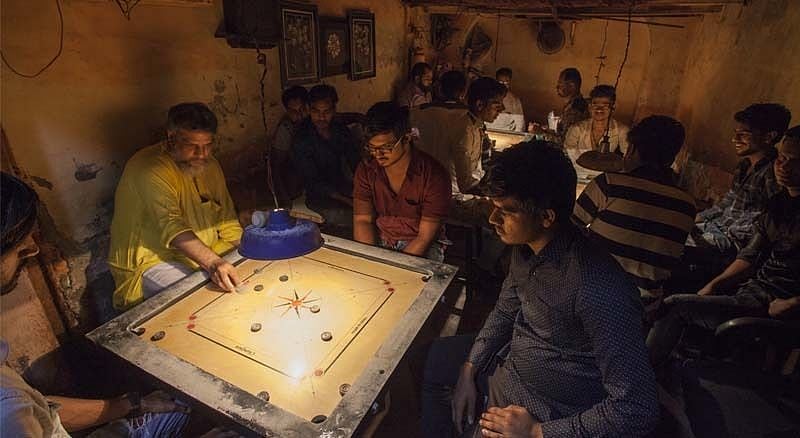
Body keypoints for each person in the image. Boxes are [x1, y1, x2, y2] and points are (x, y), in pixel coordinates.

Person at [421, 141, 659, 438]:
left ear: (546, 217)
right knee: (434, 359)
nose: (493, 220)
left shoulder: (598, 288)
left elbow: (637, 407)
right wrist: (469, 369)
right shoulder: (525, 248)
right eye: (494, 208)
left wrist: (539, 432)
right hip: (511, 366)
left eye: (505, 212)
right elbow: (505, 312)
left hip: (547, 406)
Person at [1, 173, 237, 438]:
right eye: (20, 238)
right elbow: (18, 408)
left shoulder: (15, 402)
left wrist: (131, 404)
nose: (32, 248)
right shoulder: (9, 412)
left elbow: (40, 410)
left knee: (185, 400)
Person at [647, 125, 800, 368]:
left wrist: (793, 303)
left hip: (776, 307)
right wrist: (714, 285)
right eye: (781, 158)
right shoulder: (779, 203)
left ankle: (637, 381)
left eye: (794, 161)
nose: (782, 166)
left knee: (673, 307)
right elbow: (750, 255)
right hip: (751, 291)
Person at [108, 103, 244, 311]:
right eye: (192, 146)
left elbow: (227, 222)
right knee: (209, 303)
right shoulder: (150, 169)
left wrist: (249, 252)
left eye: (208, 145)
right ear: (171, 138)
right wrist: (214, 263)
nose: (201, 154)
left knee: (250, 274)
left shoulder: (210, 165)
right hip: (152, 261)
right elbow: (172, 226)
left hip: (208, 251)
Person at [573, 116, 696, 318]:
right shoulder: (687, 205)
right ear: (672, 157)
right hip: (643, 310)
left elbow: (567, 235)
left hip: (590, 299)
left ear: (632, 150)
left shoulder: (608, 185)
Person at [353, 102, 452, 261]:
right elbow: (362, 220)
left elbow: (424, 237)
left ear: (406, 139)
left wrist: (396, 267)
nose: (378, 155)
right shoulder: (367, 169)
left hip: (419, 243)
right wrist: (369, 260)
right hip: (382, 237)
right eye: (371, 148)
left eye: (386, 147)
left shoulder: (433, 176)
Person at [693, 103, 790, 258]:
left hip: (732, 241)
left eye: (744, 134)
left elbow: (763, 224)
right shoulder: (744, 165)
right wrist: (695, 219)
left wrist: (714, 234)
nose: (734, 139)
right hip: (715, 228)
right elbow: (727, 202)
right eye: (736, 133)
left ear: (768, 137)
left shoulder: (774, 174)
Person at [291, 84, 361, 230]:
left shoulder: (340, 130)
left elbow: (355, 161)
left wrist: (362, 187)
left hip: (342, 186)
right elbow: (312, 181)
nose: (321, 117)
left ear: (334, 110)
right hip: (318, 196)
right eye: (316, 111)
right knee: (354, 218)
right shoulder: (302, 138)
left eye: (326, 112)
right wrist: (347, 200)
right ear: (310, 110)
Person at [411, 70, 469, 192]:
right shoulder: (467, 117)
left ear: (439, 89)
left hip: (421, 181)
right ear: (464, 92)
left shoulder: (417, 112)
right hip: (453, 186)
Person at [564, 84, 629, 177]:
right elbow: (567, 156)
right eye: (595, 105)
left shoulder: (621, 130)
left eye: (605, 106)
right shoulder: (577, 129)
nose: (599, 110)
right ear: (590, 106)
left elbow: (628, 159)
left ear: (613, 107)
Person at [269, 85, 308, 202]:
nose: (299, 115)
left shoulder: (314, 121)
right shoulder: (285, 130)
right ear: (287, 111)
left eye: (302, 110)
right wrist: (284, 200)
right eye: (293, 111)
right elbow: (276, 167)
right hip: (296, 186)